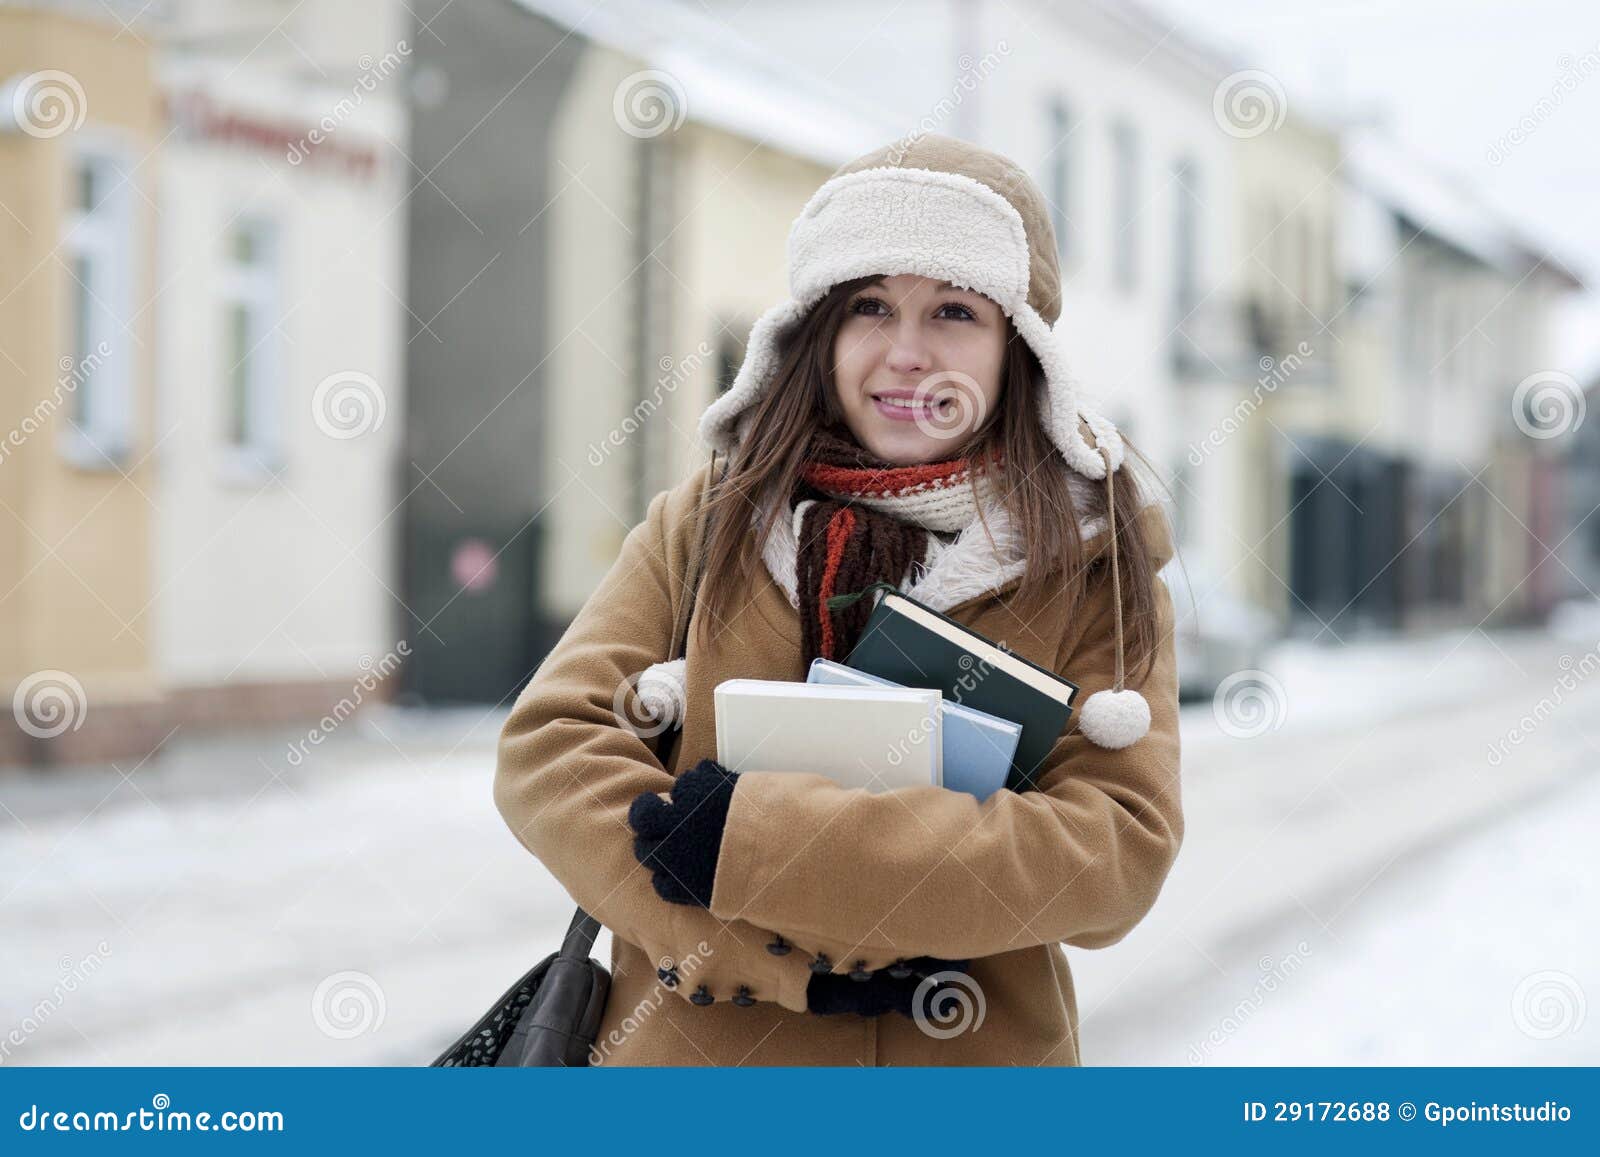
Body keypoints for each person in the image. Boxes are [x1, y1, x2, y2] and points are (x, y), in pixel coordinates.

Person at [494, 133, 1184, 1066]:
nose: (907, 353)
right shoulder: (709, 520)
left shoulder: (1093, 559)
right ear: (817, 330)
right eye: (869, 305)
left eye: (952, 310)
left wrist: (752, 845)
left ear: (1016, 346)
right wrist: (750, 952)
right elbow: (551, 755)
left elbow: (1116, 850)